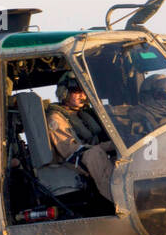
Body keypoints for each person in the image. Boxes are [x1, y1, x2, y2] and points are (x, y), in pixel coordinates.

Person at [46, 73, 115, 201]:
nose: (82, 96)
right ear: (64, 93)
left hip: (91, 154)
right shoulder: (55, 118)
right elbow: (70, 150)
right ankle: (116, 198)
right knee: (94, 155)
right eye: (77, 91)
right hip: (74, 160)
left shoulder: (83, 114)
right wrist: (107, 146)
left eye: (84, 91)